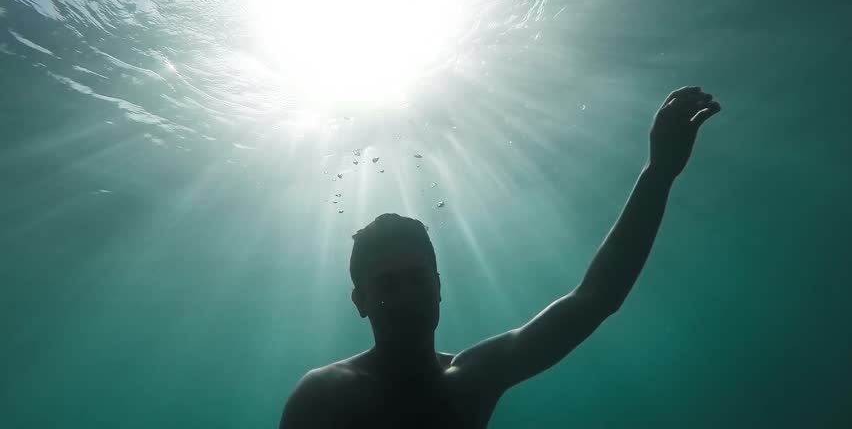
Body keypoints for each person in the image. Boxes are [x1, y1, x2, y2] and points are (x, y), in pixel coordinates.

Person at [279, 86, 722, 428]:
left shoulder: (470, 378)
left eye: (418, 278)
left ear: (439, 285)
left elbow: (595, 299)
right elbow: (593, 299)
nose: (408, 296)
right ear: (358, 302)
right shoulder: (324, 396)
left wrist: (659, 172)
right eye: (389, 285)